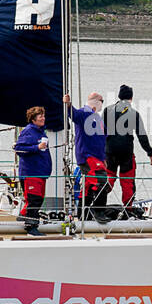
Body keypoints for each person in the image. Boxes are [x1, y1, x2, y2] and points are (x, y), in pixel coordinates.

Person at [103, 85, 152, 210]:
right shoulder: (133, 113)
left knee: (109, 177)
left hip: (109, 151)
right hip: (126, 152)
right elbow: (141, 135)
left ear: (119, 96)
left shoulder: (107, 110)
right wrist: (150, 153)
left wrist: (100, 151)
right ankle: (128, 209)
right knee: (127, 181)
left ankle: (98, 200)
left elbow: (100, 131)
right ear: (131, 98)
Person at [65, 91, 109, 220]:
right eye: (102, 102)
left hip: (97, 157)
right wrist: (68, 104)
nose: (102, 105)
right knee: (102, 181)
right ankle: (99, 211)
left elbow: (103, 138)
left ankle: (83, 213)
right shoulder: (84, 113)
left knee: (89, 186)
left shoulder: (97, 117)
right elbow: (74, 115)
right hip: (88, 156)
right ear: (97, 101)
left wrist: (104, 158)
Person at [14, 106, 52, 235]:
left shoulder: (41, 131)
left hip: (40, 172)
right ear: (33, 119)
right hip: (31, 172)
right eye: (40, 116)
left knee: (38, 200)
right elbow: (19, 148)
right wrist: (37, 147)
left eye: (43, 116)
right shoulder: (28, 131)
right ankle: (31, 227)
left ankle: (25, 216)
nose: (43, 118)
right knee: (34, 200)